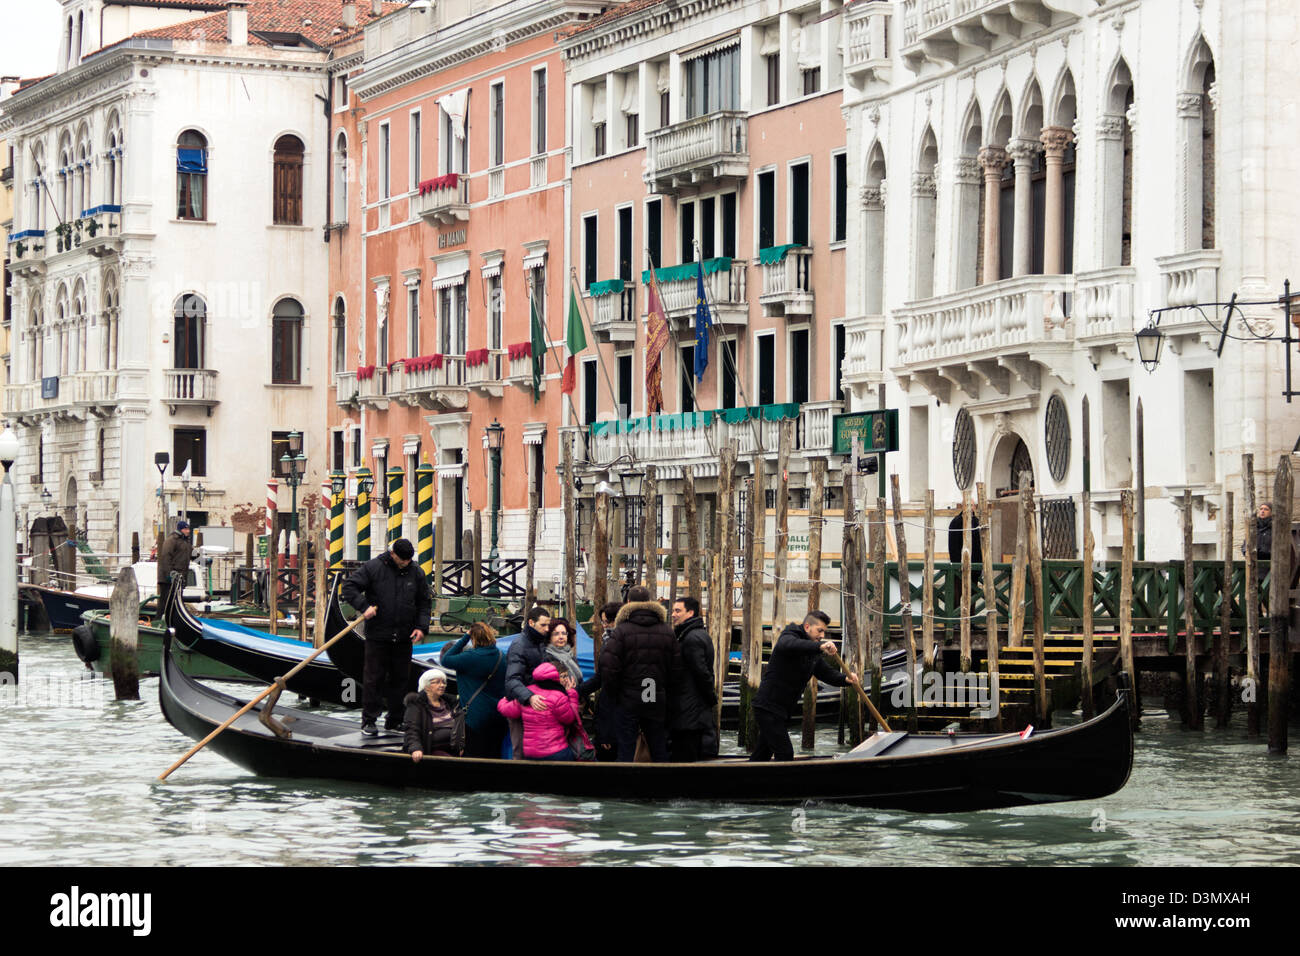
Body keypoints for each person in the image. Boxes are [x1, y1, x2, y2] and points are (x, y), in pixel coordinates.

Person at [341, 537, 432, 738]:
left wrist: (421, 627)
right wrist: (363, 607)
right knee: (374, 678)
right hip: (378, 635)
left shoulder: (416, 572)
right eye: (402, 560)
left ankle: (395, 720)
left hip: (404, 635)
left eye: (409, 560)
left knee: (401, 679)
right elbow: (349, 587)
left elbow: (424, 603)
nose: (406, 563)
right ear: (392, 554)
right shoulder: (373, 567)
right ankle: (369, 721)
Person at [750, 610, 859, 762]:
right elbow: (788, 645)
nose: (822, 636)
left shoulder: (812, 652)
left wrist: (846, 679)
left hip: (781, 711)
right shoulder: (790, 634)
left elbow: (826, 673)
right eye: (819, 631)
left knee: (762, 756)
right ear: (807, 627)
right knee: (785, 754)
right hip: (767, 707)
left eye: (824, 632)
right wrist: (820, 646)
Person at [599, 585, 682, 762]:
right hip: (654, 696)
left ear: (628, 602)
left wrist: (616, 694)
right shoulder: (667, 632)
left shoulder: (621, 631)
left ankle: (625, 786)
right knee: (659, 747)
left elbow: (608, 668)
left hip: (628, 699)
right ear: (649, 602)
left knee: (626, 748)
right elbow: (676, 670)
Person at [439, 621, 507, 759]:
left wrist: (465, 637)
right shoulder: (501, 657)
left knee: (474, 756)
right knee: (495, 755)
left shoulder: (469, 658)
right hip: (499, 716)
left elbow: (446, 659)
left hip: (475, 718)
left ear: (474, 638)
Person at [496, 662, 582, 760]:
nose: (566, 680)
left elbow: (505, 710)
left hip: (530, 753)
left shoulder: (527, 695)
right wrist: (572, 693)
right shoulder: (559, 697)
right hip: (556, 752)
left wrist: (503, 700)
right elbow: (569, 719)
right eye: (563, 676)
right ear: (555, 677)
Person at [669, 596, 717, 762]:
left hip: (689, 708)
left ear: (690, 612)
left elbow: (701, 673)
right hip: (693, 706)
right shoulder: (694, 634)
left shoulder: (691, 639)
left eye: (678, 611)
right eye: (673, 610)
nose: (673, 614)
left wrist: (710, 697)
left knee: (686, 753)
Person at [502, 604, 552, 757]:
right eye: (543, 625)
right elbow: (512, 679)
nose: (547, 629)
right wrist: (529, 696)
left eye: (548, 625)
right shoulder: (520, 645)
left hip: (534, 704)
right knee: (521, 749)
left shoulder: (539, 642)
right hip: (522, 704)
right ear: (531, 623)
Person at [579, 602, 623, 762]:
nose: (604, 626)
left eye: (607, 622)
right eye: (603, 622)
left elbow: (605, 683)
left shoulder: (613, 643)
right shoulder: (609, 642)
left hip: (616, 714)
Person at [404, 668, 455, 761]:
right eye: (437, 682)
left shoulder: (450, 703)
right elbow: (411, 729)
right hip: (432, 749)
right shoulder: (416, 705)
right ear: (426, 686)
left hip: (454, 747)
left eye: (443, 682)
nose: (442, 685)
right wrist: (415, 748)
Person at [157, 519, 192, 616]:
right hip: (169, 579)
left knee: (175, 601)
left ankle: (171, 619)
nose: (188, 531)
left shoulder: (185, 542)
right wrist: (169, 574)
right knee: (165, 601)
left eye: (188, 529)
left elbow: (186, 556)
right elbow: (166, 557)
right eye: (186, 529)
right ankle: (159, 620)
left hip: (179, 578)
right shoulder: (171, 540)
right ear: (181, 529)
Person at [545, 618, 583, 685]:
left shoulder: (570, 655)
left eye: (564, 633)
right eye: (556, 634)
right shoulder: (547, 657)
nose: (561, 637)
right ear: (549, 636)